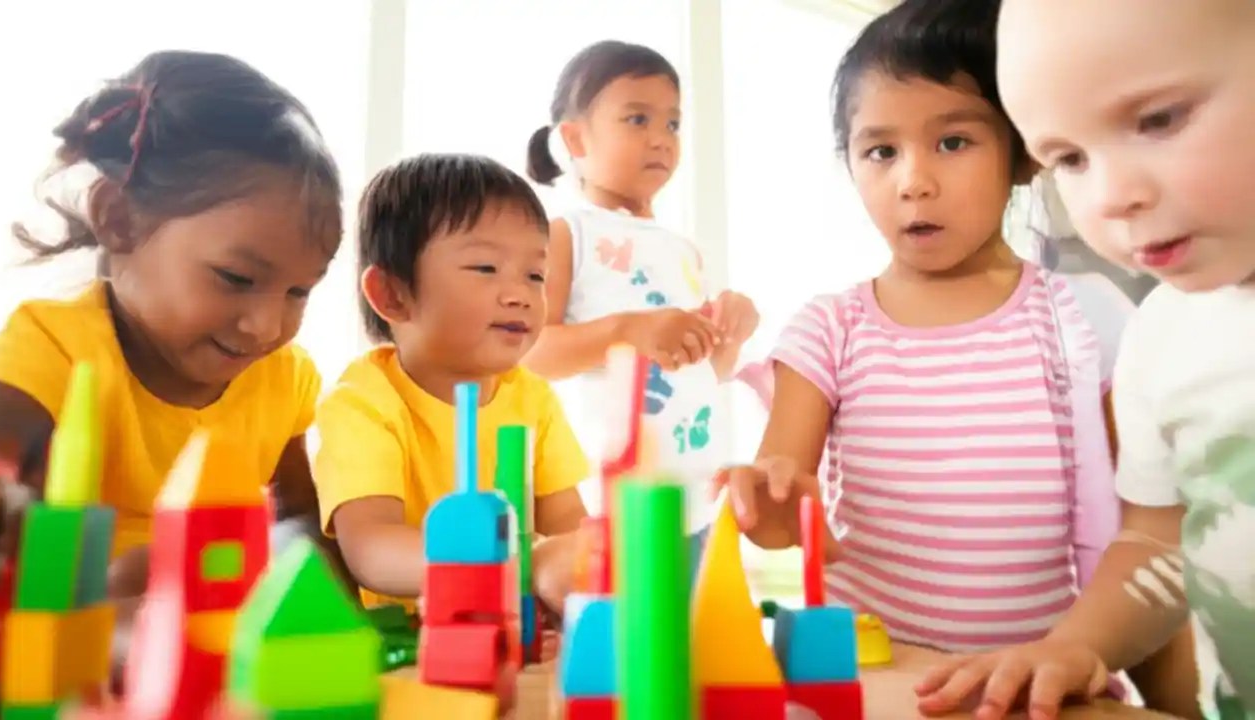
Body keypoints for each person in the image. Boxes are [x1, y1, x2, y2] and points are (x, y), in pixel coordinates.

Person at [716, 0, 1188, 703]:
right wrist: (770, 505)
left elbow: (1142, 544)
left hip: (1033, 692)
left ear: (1023, 149)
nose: (913, 181)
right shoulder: (830, 328)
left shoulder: (1084, 318)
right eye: (881, 151)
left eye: (953, 142)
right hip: (871, 684)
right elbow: (780, 503)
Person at [916, 1, 1255, 718]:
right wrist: (1079, 644)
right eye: (1068, 158)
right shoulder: (1160, 337)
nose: (1111, 196)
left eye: (1159, 119)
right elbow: (1158, 544)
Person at [0, 50, 341, 611]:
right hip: (58, 654)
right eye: (235, 277)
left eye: (299, 291)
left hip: (212, 658)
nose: (267, 327)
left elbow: (301, 522)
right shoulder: (51, 351)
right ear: (119, 220)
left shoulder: (282, 380)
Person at [313, 154, 589, 611]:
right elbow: (372, 550)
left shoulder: (533, 397)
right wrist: (521, 564)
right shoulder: (362, 403)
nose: (520, 294)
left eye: (535, 274)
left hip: (523, 643)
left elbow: (570, 529)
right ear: (393, 294)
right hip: (413, 656)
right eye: (486, 268)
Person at [520, 40, 758, 541]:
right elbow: (531, 352)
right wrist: (628, 330)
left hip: (695, 500)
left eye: (672, 123)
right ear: (576, 139)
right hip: (608, 503)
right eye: (637, 119)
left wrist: (729, 334)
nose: (661, 139)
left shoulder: (684, 251)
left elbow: (704, 372)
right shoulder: (567, 232)